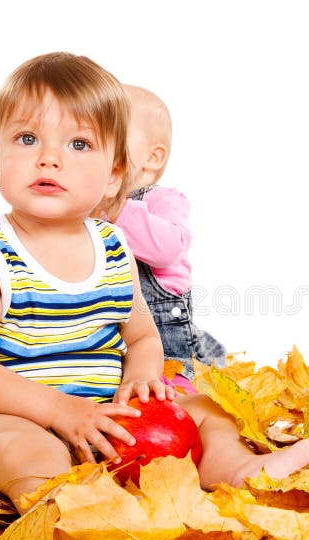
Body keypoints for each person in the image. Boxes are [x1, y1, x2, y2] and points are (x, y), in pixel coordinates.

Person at [0, 52, 309, 513]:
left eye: (78, 144)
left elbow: (144, 337)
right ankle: (62, 508)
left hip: (110, 418)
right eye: (27, 139)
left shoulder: (113, 247)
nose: (49, 158)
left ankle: (239, 470)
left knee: (208, 412)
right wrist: (59, 411)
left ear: (114, 176)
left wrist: (140, 378)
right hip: (17, 417)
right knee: (20, 448)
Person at [96, 85, 226, 393]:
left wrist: (117, 209)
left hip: (168, 347)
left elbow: (168, 248)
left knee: (174, 401)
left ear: (153, 157)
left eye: (112, 134)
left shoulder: (163, 200)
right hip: (111, 346)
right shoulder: (88, 206)